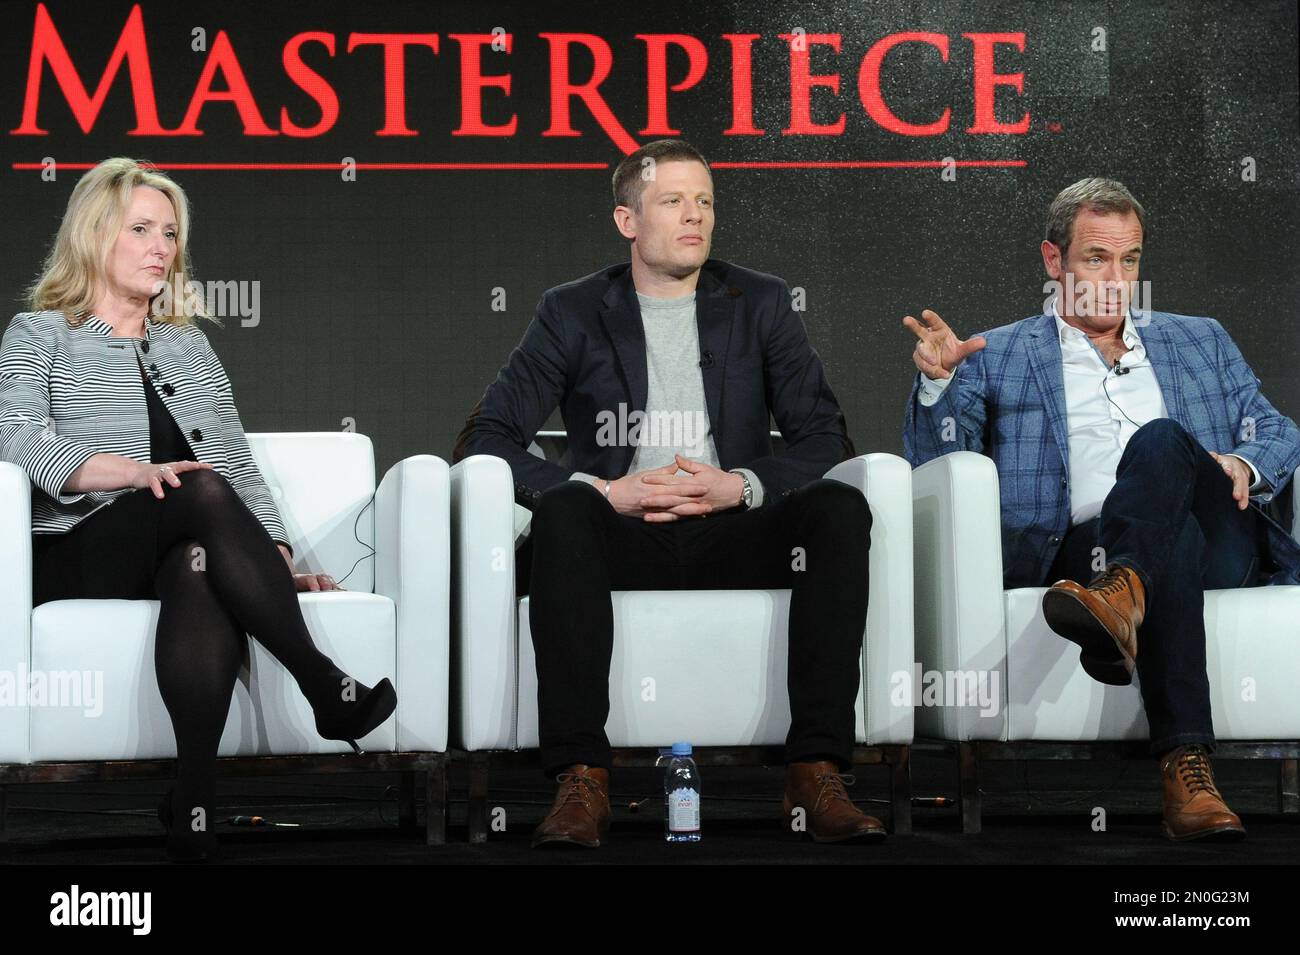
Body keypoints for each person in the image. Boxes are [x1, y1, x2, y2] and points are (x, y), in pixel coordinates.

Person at [454, 139, 882, 847]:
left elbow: (825, 440)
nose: (696, 217)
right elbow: (484, 437)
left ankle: (815, 772)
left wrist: (739, 485)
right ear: (628, 220)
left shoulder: (761, 301)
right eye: (674, 201)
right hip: (620, 536)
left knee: (840, 507)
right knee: (564, 508)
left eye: (706, 201)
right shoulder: (573, 310)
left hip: (731, 532)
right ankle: (582, 779)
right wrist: (601, 490)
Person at [0, 158, 397, 862]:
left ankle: (195, 799)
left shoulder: (188, 346)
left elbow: (238, 461)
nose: (162, 247)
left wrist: (272, 566)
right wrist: (129, 472)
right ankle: (321, 681)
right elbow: (14, 433)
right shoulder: (40, 334)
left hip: (170, 544)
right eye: (142, 229)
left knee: (199, 560)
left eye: (171, 233)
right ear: (95, 236)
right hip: (79, 547)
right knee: (198, 486)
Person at [902, 177, 1300, 842]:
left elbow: (1278, 431)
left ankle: (1121, 596)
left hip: (1221, 537)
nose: (1117, 278)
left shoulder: (1199, 339)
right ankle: (1185, 764)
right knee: (1164, 542)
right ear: (1054, 260)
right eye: (1096, 258)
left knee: (1163, 440)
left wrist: (1243, 464)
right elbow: (936, 465)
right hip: (1076, 543)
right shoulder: (998, 354)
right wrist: (940, 384)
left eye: (1130, 259)